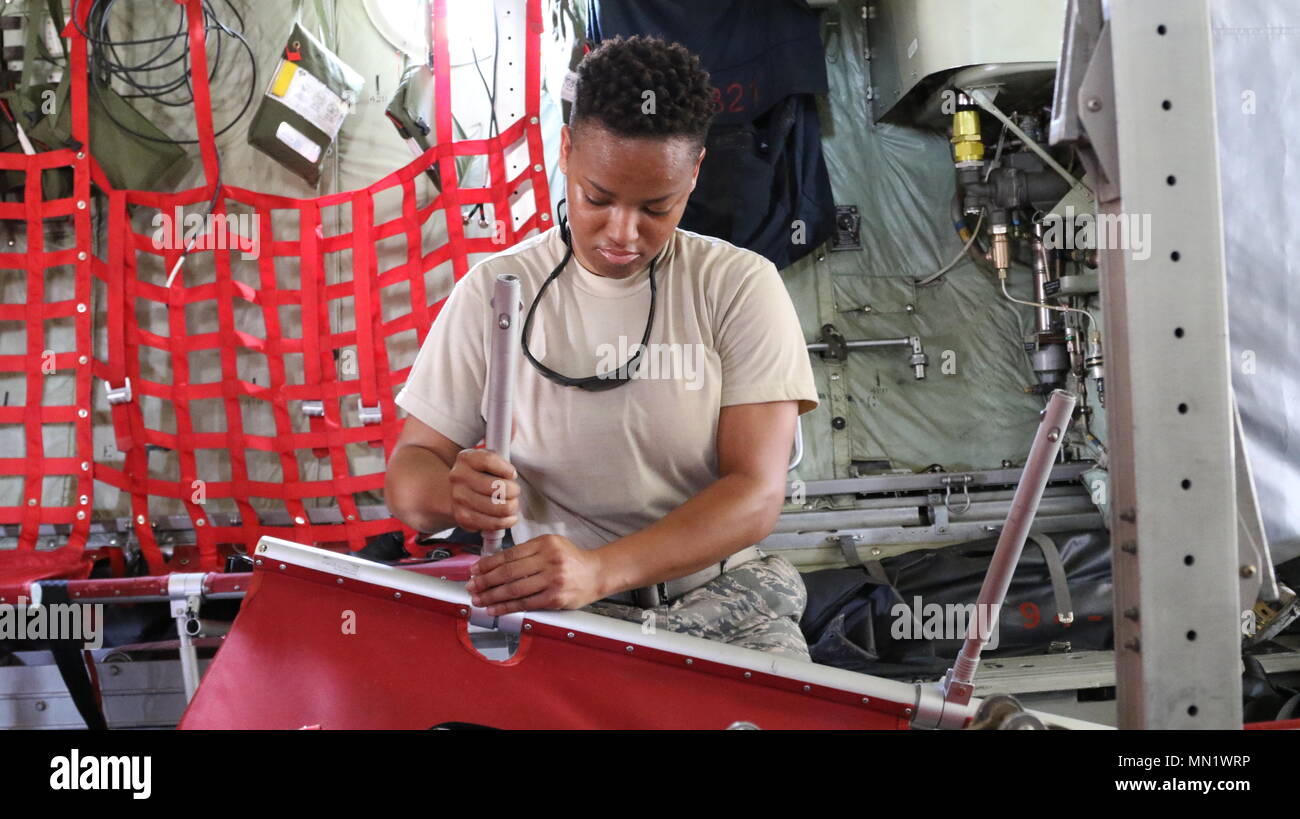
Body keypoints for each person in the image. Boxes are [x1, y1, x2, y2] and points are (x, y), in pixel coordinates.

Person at [386, 35, 818, 660]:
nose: (622, 232)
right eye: (597, 198)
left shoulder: (738, 286)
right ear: (566, 151)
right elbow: (409, 473)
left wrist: (600, 569)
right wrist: (450, 493)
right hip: (567, 621)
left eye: (655, 207)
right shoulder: (497, 290)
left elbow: (754, 491)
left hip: (729, 607)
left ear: (694, 172)